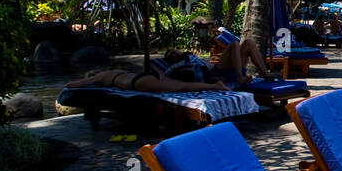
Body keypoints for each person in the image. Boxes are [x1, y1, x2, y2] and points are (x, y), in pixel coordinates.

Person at [67, 69, 228, 93]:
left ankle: (214, 86)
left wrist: (70, 85)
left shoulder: (99, 77)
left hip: (137, 83)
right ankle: (214, 86)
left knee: (181, 87)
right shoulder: (113, 71)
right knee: (180, 85)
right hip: (144, 75)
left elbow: (74, 85)